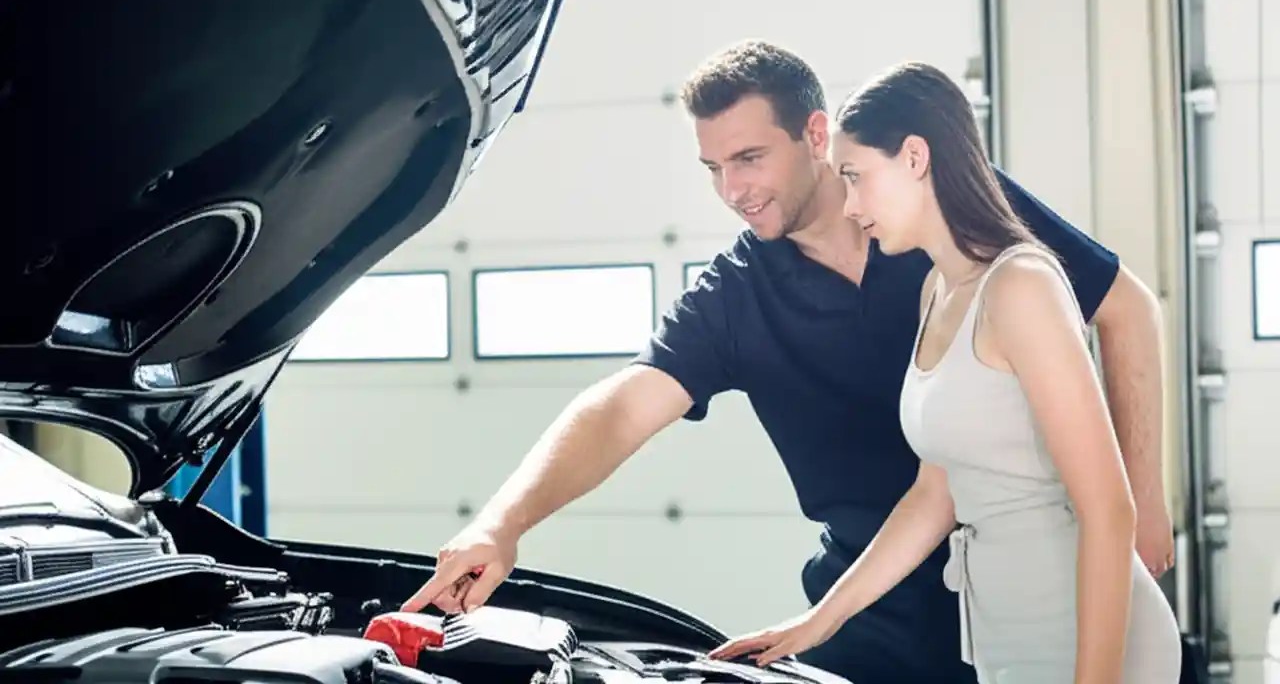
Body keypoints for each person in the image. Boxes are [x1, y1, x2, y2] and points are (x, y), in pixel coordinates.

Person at [401, 41, 1174, 684]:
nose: (732, 190)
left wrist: (1141, 513)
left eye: (748, 157)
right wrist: (501, 524)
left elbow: (1126, 309)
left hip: (1046, 585)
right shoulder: (741, 294)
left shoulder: (951, 222)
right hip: (880, 616)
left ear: (815, 135)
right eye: (713, 168)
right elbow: (622, 408)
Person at [705, 61, 1182, 682]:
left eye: (856, 178)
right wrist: (815, 623)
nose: (848, 206)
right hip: (1003, 630)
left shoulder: (1021, 287)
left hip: (1086, 632)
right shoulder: (937, 290)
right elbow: (935, 494)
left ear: (914, 157)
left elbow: (1109, 509)